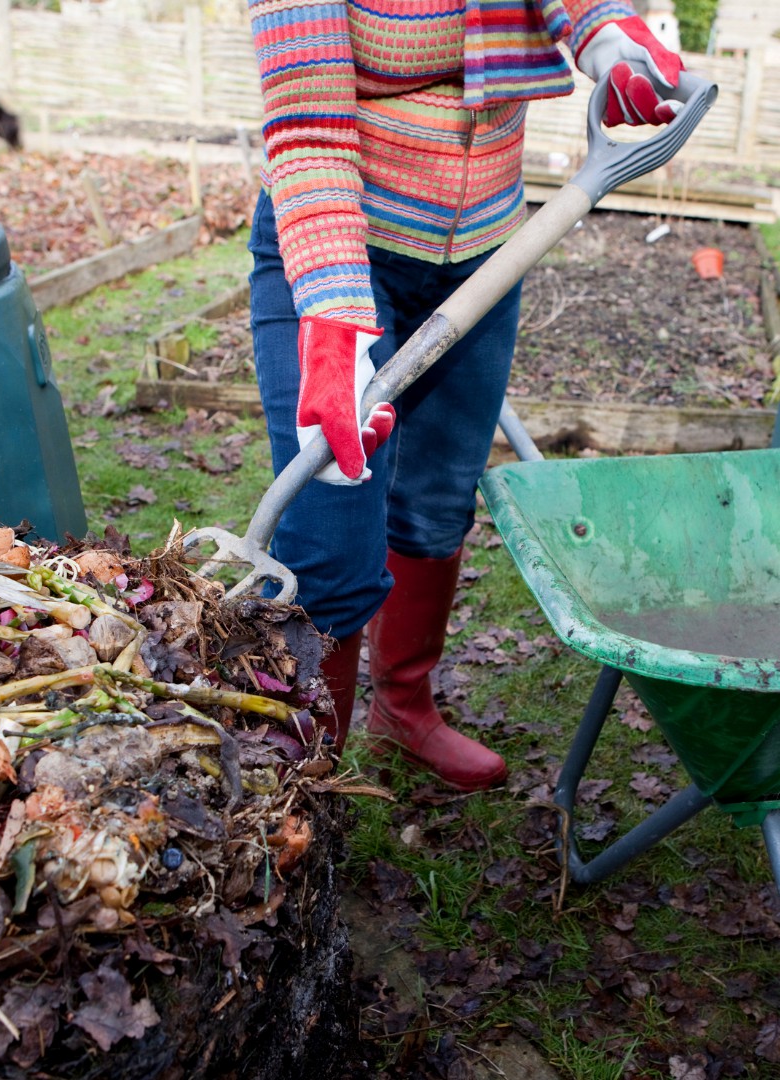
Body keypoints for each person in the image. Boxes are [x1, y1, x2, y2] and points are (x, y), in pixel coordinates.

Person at [245, 0, 686, 791]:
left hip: (484, 248)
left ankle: (403, 710)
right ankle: (310, 783)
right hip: (338, 251)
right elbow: (308, 123)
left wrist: (608, 35)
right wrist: (337, 315)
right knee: (331, 540)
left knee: (438, 503)